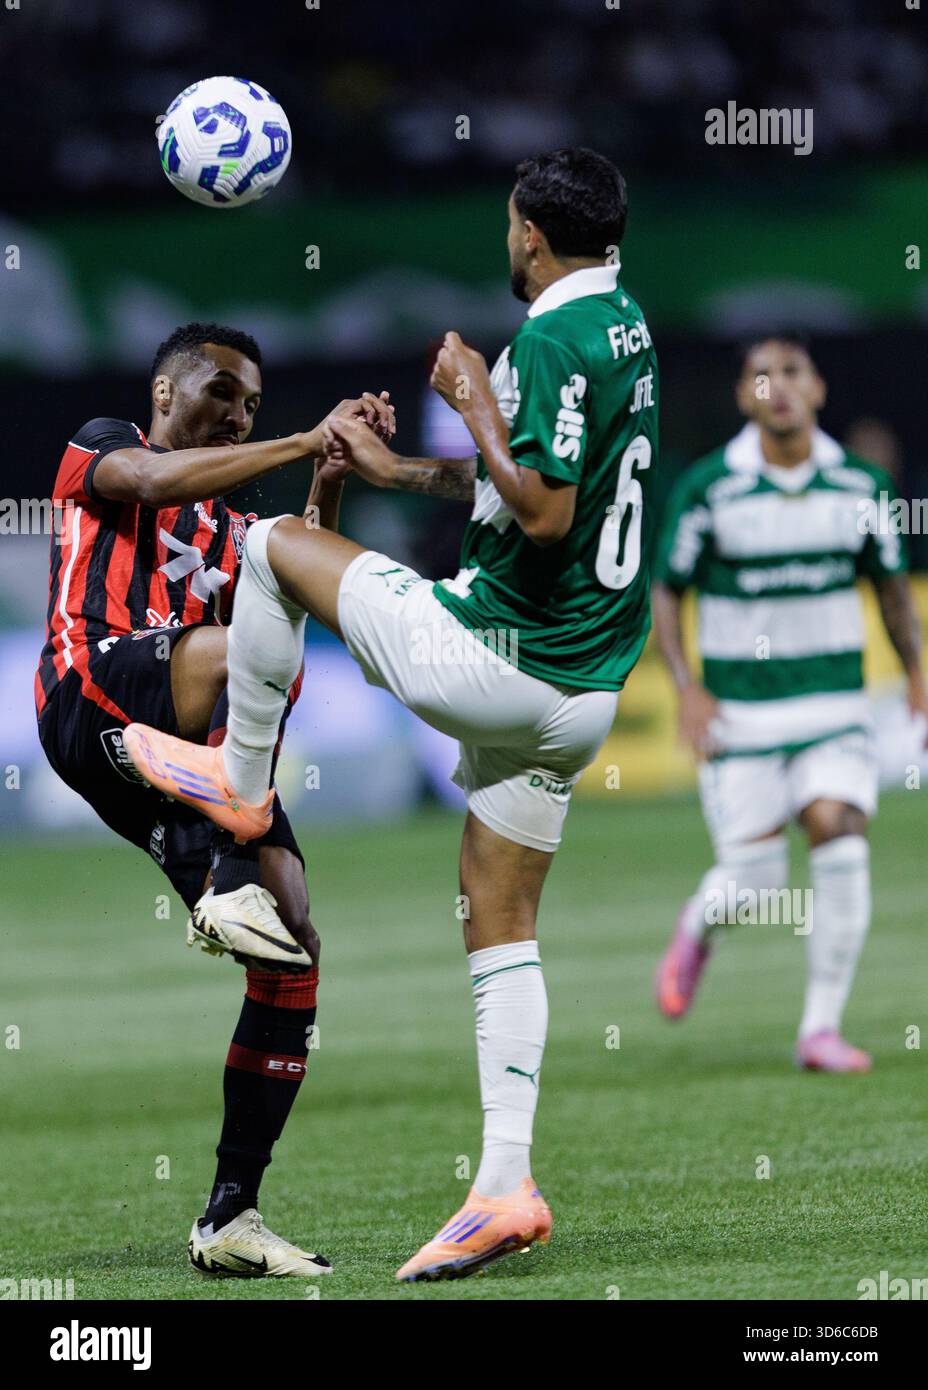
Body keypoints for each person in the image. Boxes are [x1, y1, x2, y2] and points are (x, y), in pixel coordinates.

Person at [123, 147, 660, 1281]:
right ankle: (503, 1186)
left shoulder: (552, 339)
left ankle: (240, 780)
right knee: (495, 912)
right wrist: (396, 466)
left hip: (501, 655)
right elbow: (506, 494)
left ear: (525, 233)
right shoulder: (624, 326)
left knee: (270, 546)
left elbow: (547, 509)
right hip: (580, 692)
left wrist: (470, 402)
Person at [35, 321, 393, 1274]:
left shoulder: (236, 532)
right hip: (93, 697)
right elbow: (150, 486)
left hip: (179, 762)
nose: (238, 414)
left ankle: (231, 1216)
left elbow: (295, 601)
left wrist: (332, 472)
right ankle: (226, 873)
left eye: (252, 405)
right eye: (222, 393)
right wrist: (303, 438)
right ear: (165, 393)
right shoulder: (105, 446)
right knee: (244, 654)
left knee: (294, 946)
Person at [651, 333, 927, 1071]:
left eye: (792, 371)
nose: (778, 385)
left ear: (818, 389)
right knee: (754, 883)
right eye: (760, 374)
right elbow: (667, 593)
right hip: (742, 716)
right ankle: (699, 927)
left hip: (836, 707)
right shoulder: (710, 488)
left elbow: (892, 592)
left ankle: (820, 1028)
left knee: (838, 829)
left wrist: (918, 675)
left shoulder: (862, 486)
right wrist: (688, 689)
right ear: (744, 396)